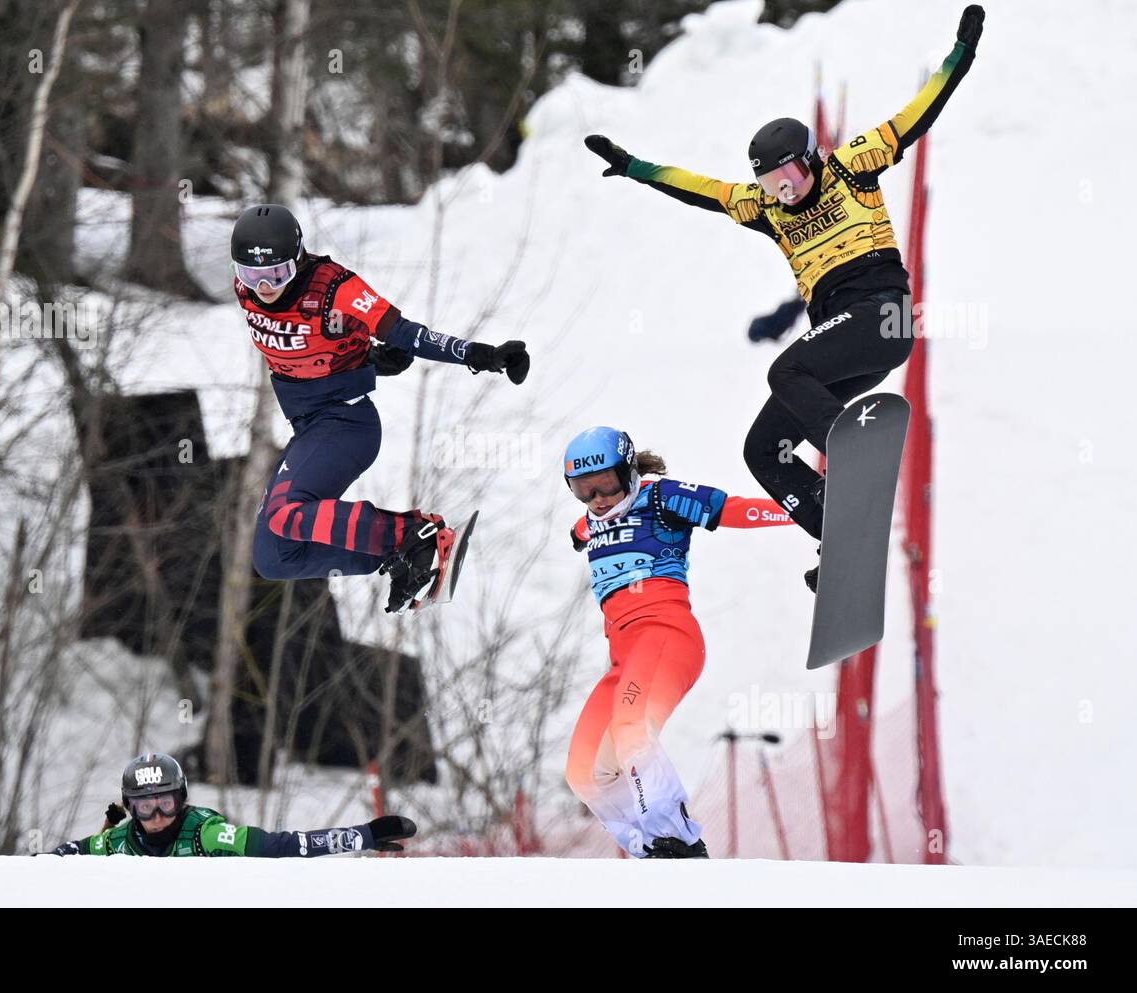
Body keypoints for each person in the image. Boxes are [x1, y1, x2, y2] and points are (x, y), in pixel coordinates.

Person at [583, 6, 984, 589]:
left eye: (792, 179)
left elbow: (915, 115)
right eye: (773, 185)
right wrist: (636, 167)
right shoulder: (768, 210)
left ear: (812, 161)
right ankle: (838, 533)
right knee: (763, 448)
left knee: (785, 369)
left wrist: (960, 54)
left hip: (882, 314)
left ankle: (849, 449)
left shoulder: (852, 168)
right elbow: (706, 190)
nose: (785, 193)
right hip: (844, 337)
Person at [231, 204, 530, 612]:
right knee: (273, 556)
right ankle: (401, 557)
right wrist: (365, 358)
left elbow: (407, 334)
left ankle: (417, 535)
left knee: (285, 514)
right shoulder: (245, 290)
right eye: (252, 276)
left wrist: (481, 354)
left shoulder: (338, 289)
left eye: (277, 274)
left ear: (298, 259)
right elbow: (308, 347)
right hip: (308, 424)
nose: (264, 288)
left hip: (345, 424)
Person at [562, 427, 794, 857]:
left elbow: (733, 510)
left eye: (607, 484)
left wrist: (803, 513)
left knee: (632, 729)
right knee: (584, 769)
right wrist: (578, 532)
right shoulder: (588, 522)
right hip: (624, 657)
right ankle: (649, 847)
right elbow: (579, 530)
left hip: (666, 635)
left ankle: (678, 838)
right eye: (583, 489)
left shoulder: (662, 498)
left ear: (628, 472)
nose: (598, 499)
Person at [48, 752, 416, 857]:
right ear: (130, 808)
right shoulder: (117, 841)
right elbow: (71, 853)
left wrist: (363, 835)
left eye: (166, 804)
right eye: (146, 808)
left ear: (183, 800)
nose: (158, 817)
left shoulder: (205, 834)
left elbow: (282, 846)